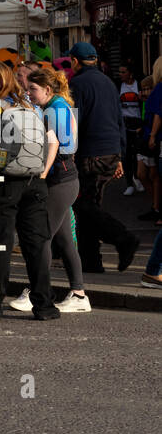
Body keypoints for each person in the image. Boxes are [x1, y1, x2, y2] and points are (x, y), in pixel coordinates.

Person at [0, 60, 59, 322]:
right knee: (36, 245)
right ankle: (44, 306)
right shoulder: (30, 105)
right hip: (34, 182)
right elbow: (54, 141)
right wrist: (43, 172)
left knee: (2, 245)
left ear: (1, 81)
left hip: (4, 181)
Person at [18, 64, 89, 314]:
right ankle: (78, 294)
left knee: (40, 237)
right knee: (64, 239)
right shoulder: (56, 105)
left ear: (47, 89)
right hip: (65, 179)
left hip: (60, 180)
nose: (30, 94)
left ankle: (38, 290)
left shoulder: (54, 109)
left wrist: (43, 172)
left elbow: (55, 144)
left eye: (33, 89)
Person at [69, 42, 139, 274]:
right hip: (110, 151)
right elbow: (118, 119)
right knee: (89, 205)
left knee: (83, 205)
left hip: (91, 153)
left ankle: (122, 238)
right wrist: (120, 155)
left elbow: (73, 123)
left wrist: (67, 152)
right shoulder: (109, 82)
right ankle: (91, 262)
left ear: (75, 61)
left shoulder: (77, 84)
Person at [138, 61, 161, 224]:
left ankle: (157, 208)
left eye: (148, 88)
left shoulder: (158, 91)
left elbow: (158, 115)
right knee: (142, 174)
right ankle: (156, 206)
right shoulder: (145, 100)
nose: (146, 91)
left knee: (154, 175)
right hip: (144, 139)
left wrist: (152, 135)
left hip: (153, 139)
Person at [118, 63, 143, 194]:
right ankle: (129, 184)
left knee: (138, 153)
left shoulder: (139, 85)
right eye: (119, 72)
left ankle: (138, 178)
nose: (120, 74)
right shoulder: (118, 85)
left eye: (123, 72)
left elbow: (144, 104)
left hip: (138, 124)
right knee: (126, 154)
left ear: (130, 73)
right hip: (125, 123)